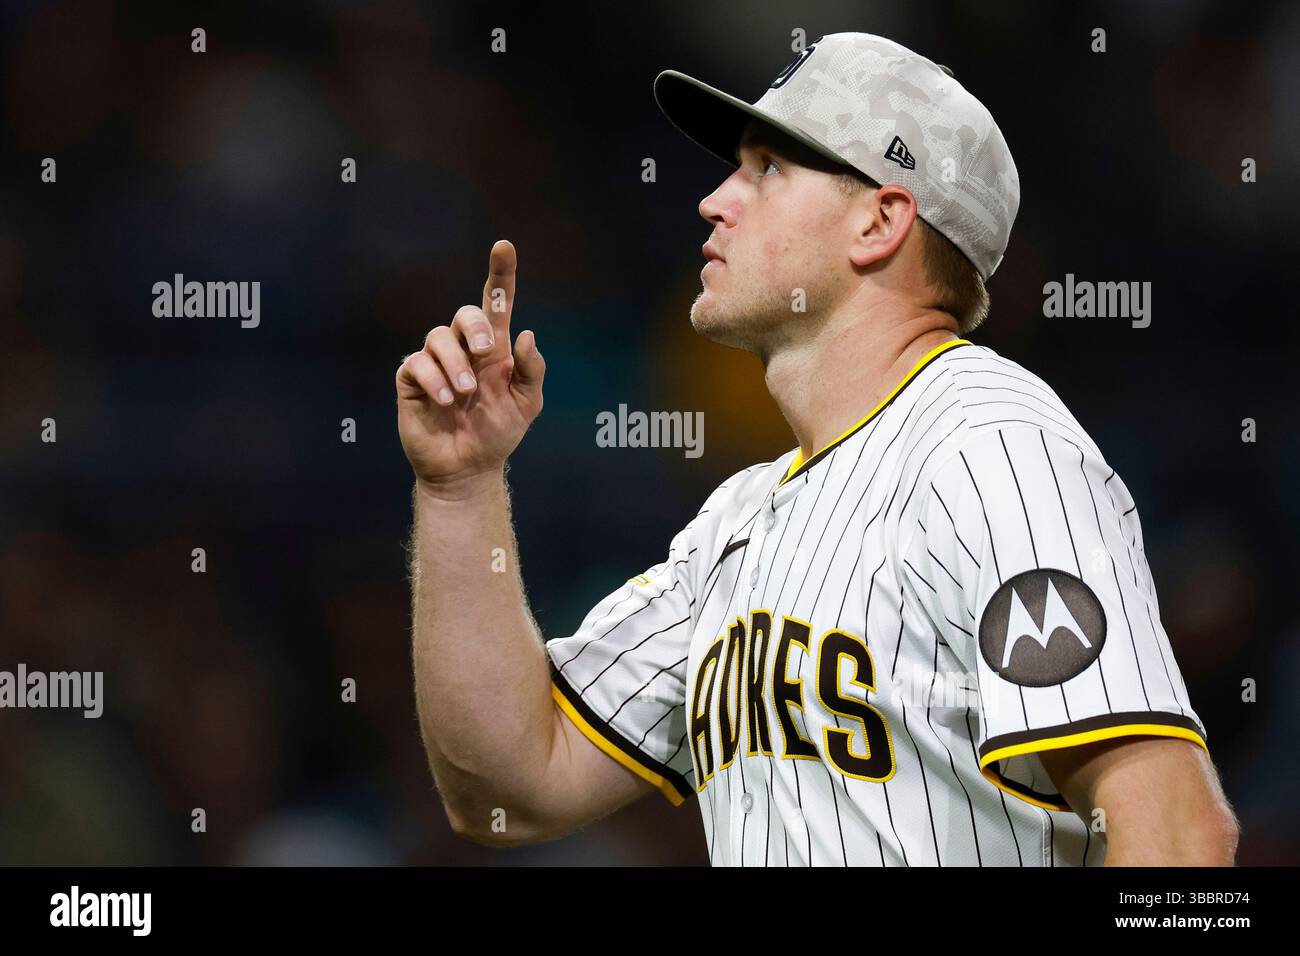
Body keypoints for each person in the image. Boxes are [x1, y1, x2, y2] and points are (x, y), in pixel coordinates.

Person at [396, 32, 1238, 865]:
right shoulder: (736, 521)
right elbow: (511, 784)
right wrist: (459, 488)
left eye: (767, 169)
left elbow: (1173, 830)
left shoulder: (991, 447)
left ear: (879, 220)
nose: (715, 199)